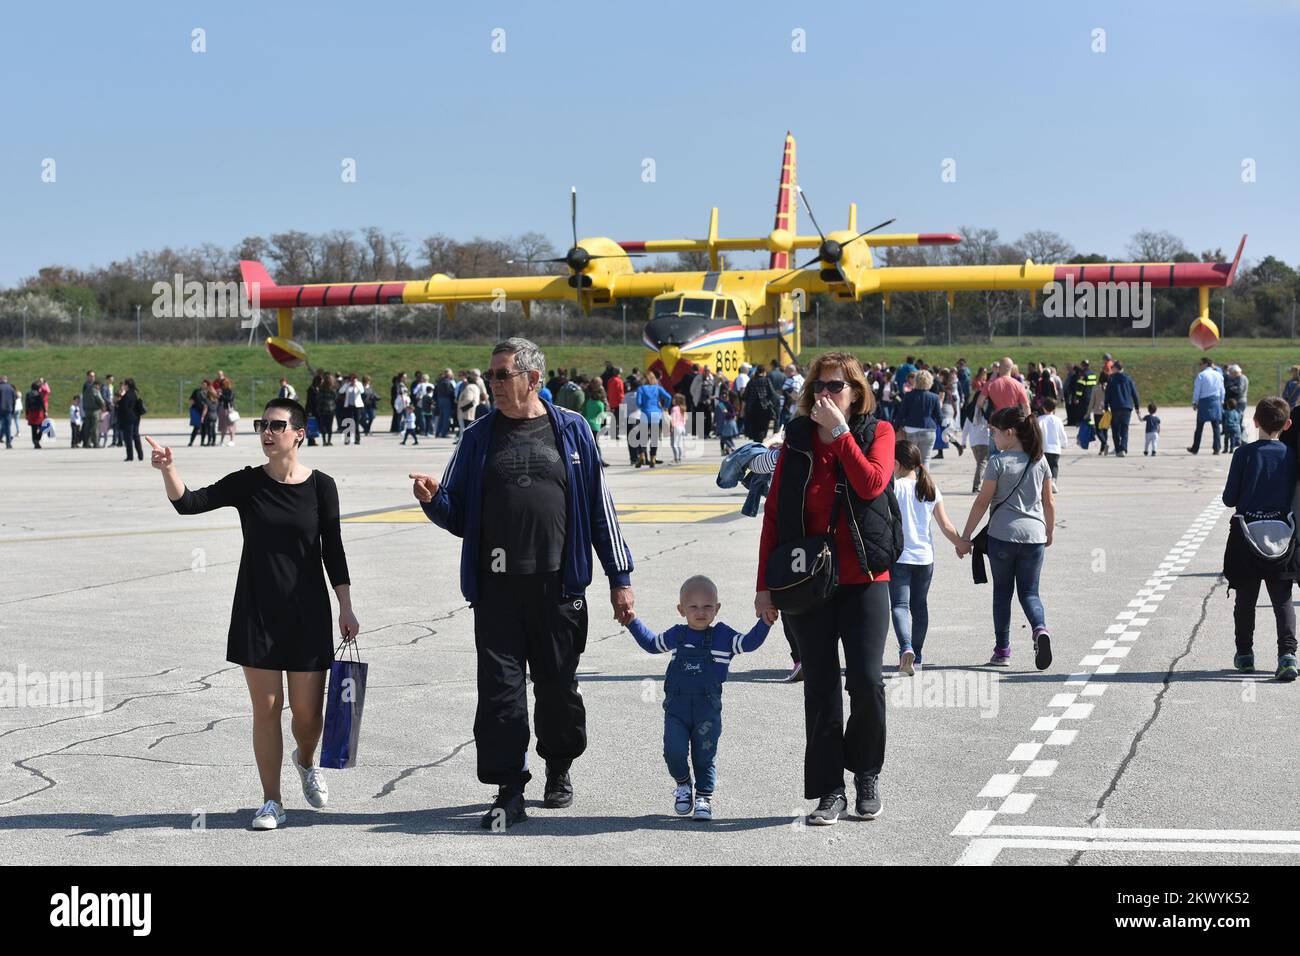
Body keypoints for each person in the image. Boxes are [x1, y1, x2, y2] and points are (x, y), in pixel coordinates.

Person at [409, 338, 635, 829]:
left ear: (533, 378)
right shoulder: (477, 438)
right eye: (490, 375)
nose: (492, 383)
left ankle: (559, 766)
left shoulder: (572, 430)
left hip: (558, 588)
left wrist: (620, 577)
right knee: (500, 694)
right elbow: (458, 514)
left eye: (501, 374)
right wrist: (432, 500)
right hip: (497, 592)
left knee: (558, 690)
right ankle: (509, 786)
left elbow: (600, 508)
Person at [148, 398, 358, 830]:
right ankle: (271, 801)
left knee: (307, 716)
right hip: (257, 612)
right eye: (262, 424)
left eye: (277, 425)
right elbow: (189, 502)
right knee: (266, 708)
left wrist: (346, 606)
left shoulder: (322, 486)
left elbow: (332, 550)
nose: (266, 431)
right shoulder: (248, 483)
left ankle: (305, 760)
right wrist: (169, 469)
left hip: (308, 613)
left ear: (299, 432)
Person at [756, 351, 900, 825]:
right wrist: (764, 587)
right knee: (819, 686)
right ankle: (829, 790)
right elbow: (774, 514)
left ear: (856, 392)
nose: (824, 394)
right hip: (806, 582)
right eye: (818, 386)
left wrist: (840, 434)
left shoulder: (877, 432)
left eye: (835, 386)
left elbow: (872, 483)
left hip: (864, 579)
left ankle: (866, 776)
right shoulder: (796, 440)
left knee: (867, 680)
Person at [625, 574, 770, 820]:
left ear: (717, 608)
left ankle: (704, 796)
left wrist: (765, 623)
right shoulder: (677, 635)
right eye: (693, 607)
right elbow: (651, 643)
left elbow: (749, 643)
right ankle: (683, 784)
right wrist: (632, 621)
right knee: (674, 752)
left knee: (705, 756)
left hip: (707, 712)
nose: (700, 612)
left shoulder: (724, 637)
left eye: (707, 607)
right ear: (681, 610)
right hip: (677, 710)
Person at [957, 406, 1056, 670]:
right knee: (1030, 593)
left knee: (1002, 593)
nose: (993, 438)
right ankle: (1040, 630)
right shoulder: (1040, 460)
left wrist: (965, 537)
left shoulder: (998, 462)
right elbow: (1049, 502)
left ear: (1010, 433)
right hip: (1034, 536)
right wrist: (1049, 530)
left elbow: (982, 503)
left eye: (995, 433)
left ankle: (1003, 651)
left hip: (1002, 537)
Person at [1221, 397, 1298, 681]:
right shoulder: (1291, 455)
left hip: (1247, 535)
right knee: (1283, 599)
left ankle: (1245, 655)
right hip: (1282, 535)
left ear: (1254, 422)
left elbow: (1229, 499)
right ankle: (1287, 655)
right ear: (1287, 424)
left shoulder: (1243, 454)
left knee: (1245, 600)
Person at [890, 438, 963, 675]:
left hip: (900, 558)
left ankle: (906, 648)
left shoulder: (894, 488)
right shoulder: (929, 488)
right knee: (919, 607)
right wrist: (961, 544)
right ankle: (917, 656)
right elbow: (946, 525)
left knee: (900, 606)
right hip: (925, 559)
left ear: (898, 463)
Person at [900, 369, 943, 466]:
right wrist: (946, 430)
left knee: (913, 461)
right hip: (928, 430)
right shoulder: (934, 397)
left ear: (916, 380)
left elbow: (901, 415)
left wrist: (894, 428)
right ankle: (924, 480)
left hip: (911, 429)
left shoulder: (908, 396)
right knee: (925, 460)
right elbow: (940, 417)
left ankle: (914, 480)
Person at [1188, 356, 1225, 455]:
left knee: (1199, 427)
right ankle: (1217, 448)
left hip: (1204, 402)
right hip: (1216, 401)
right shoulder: (1218, 375)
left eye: (1200, 364)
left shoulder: (1201, 375)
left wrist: (1195, 402)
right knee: (1216, 427)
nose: (1199, 366)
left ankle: (1195, 448)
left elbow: (1197, 390)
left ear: (1205, 364)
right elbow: (1222, 390)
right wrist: (1221, 401)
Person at [1102, 360, 1140, 457]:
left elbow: (1107, 395)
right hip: (1127, 407)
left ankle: (1118, 449)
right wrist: (1137, 407)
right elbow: (1134, 394)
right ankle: (1123, 448)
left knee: (1115, 429)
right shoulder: (1129, 379)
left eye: (1112, 368)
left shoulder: (1111, 379)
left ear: (1115, 368)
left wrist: (1106, 407)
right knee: (1124, 429)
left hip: (1115, 407)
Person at [635, 371, 672, 468]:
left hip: (645, 414)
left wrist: (643, 405)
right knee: (654, 438)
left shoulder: (641, 389)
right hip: (656, 414)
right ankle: (653, 457)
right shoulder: (658, 388)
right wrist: (665, 407)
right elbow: (668, 397)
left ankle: (642, 455)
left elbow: (638, 403)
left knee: (641, 436)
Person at [1037, 397, 1068, 490]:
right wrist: (1064, 444)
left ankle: (1044, 484)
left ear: (1043, 408)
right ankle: (1053, 481)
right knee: (1054, 465)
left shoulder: (1040, 419)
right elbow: (1062, 433)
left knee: (1043, 467)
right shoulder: (1058, 420)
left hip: (1043, 448)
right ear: (1054, 409)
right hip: (1055, 449)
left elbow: (1037, 434)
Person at [116, 378, 146, 462]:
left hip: (128, 419)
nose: (123, 386)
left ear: (127, 385)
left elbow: (124, 407)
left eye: (124, 385)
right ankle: (140, 455)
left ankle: (130, 456)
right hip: (136, 417)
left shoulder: (127, 395)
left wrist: (119, 401)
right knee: (136, 436)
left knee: (128, 437)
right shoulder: (135, 393)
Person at [582, 380, 609, 467]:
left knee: (589, 444)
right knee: (596, 444)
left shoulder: (588, 403)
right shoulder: (600, 404)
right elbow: (601, 416)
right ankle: (600, 460)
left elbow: (584, 413)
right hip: (596, 426)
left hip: (587, 425)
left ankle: (589, 460)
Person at [1088, 370, 1110, 455]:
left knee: (1098, 431)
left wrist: (1088, 412)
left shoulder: (1095, 388)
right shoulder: (1109, 387)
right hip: (1107, 411)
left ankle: (1104, 444)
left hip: (1098, 412)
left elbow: (1092, 402)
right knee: (1105, 431)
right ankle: (1103, 450)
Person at [0, 375, 18, 449]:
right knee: (7, 427)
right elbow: (15, 400)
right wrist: (13, 410)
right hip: (8, 409)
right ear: (6, 380)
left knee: (4, 425)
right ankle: (8, 443)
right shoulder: (11, 388)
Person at [669, 394, 687, 464]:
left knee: (674, 444)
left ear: (677, 401)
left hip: (676, 427)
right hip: (682, 427)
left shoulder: (674, 408)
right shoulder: (683, 408)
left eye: (674, 399)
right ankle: (680, 457)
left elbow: (673, 419)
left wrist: (672, 427)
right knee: (679, 443)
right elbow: (684, 420)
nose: (672, 400)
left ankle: (676, 458)